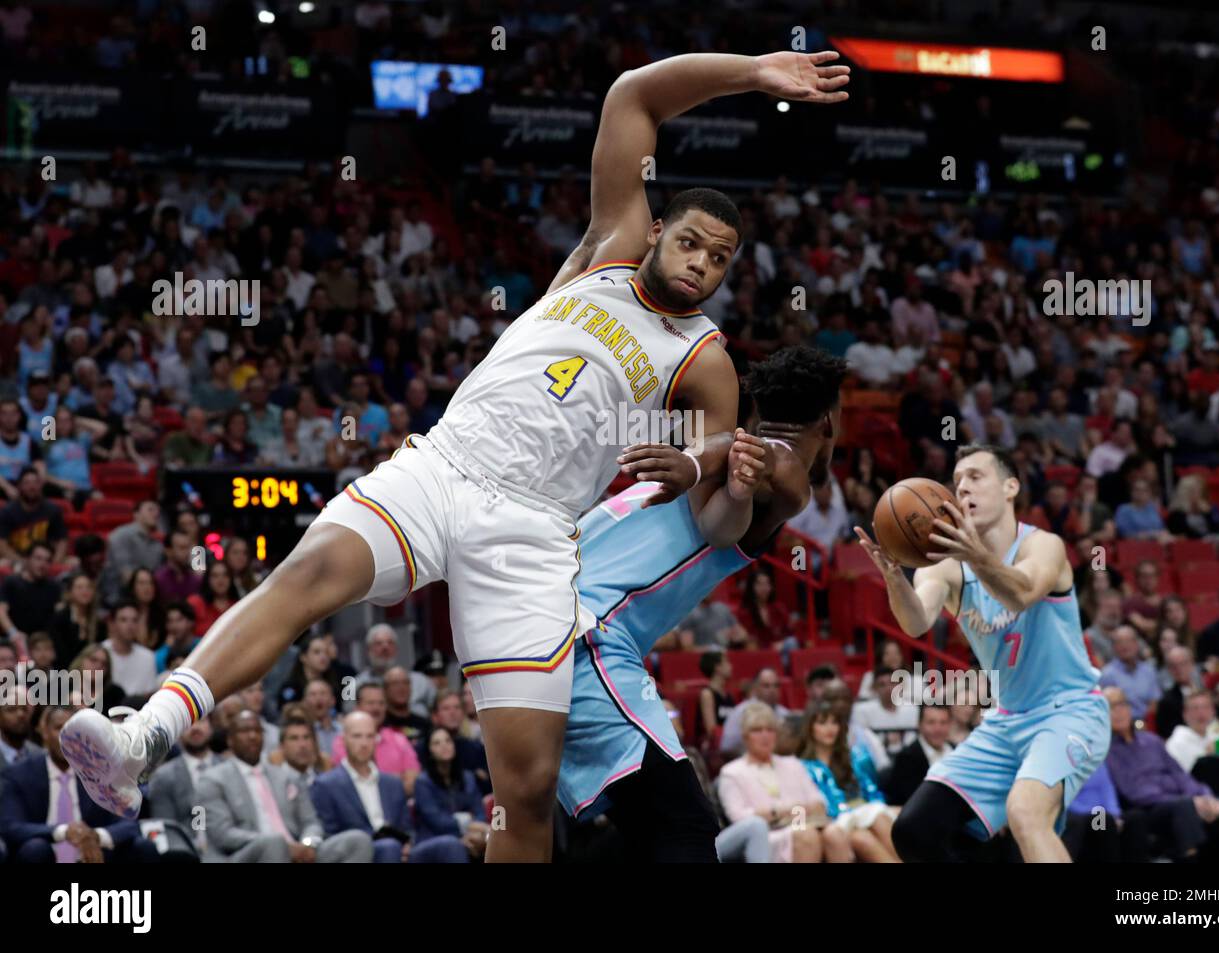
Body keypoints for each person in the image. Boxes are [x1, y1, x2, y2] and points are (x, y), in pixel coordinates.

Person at [60, 50, 852, 862]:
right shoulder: (609, 244)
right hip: (443, 466)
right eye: (691, 243)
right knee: (304, 576)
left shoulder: (707, 357)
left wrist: (708, 470)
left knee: (528, 786)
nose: (701, 265)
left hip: (536, 536)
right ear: (657, 229)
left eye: (720, 260)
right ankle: (144, 736)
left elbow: (719, 515)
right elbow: (633, 95)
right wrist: (754, 74)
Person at [557, 346, 843, 860]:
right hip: (586, 634)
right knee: (687, 830)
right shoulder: (783, 466)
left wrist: (696, 463)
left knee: (602, 835)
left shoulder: (720, 451)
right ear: (829, 420)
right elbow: (749, 455)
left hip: (533, 616)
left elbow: (724, 456)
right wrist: (692, 466)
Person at [857, 443, 1110, 862]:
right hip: (1006, 721)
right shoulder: (945, 566)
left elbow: (1022, 592)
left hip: (1070, 711)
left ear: (1010, 486)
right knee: (914, 830)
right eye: (956, 483)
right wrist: (895, 577)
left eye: (976, 477)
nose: (963, 489)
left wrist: (974, 553)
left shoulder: (1043, 546)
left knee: (1026, 813)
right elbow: (916, 621)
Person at [1104, 687, 1219, 862]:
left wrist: (1204, 796)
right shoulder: (1107, 750)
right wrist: (1188, 800)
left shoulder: (1151, 741)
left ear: (1129, 708)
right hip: (1150, 808)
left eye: (1121, 705)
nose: (1118, 712)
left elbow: (1179, 774)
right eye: (1111, 707)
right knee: (1184, 807)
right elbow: (1134, 792)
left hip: (1182, 800)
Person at [193, 710, 373, 863]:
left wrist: (307, 844)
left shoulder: (286, 776)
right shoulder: (212, 779)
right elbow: (223, 834)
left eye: (257, 730)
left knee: (359, 840)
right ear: (230, 740)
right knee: (274, 843)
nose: (252, 736)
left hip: (297, 851)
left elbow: (311, 822)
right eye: (244, 731)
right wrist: (283, 846)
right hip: (245, 855)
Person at [0, 707, 153, 864]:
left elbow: (129, 823)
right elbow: (10, 826)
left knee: (143, 847)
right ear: (44, 732)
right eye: (59, 728)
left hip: (94, 854)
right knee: (35, 849)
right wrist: (63, 832)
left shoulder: (103, 771)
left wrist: (97, 836)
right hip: (44, 852)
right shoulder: (19, 774)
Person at [312, 711, 457, 863]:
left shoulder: (393, 783)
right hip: (361, 853)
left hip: (400, 849)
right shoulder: (326, 784)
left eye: (370, 736)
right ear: (343, 739)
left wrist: (408, 843)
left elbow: (408, 828)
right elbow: (332, 836)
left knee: (451, 844)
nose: (364, 743)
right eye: (357, 736)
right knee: (389, 846)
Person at [717, 702, 847, 863]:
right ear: (745, 737)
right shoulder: (732, 772)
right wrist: (785, 811)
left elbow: (819, 803)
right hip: (766, 837)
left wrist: (785, 814)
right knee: (805, 834)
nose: (765, 736)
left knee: (834, 832)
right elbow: (741, 818)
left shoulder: (792, 764)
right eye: (757, 730)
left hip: (801, 825)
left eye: (770, 730)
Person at [797, 702, 900, 862]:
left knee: (879, 819)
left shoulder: (853, 757)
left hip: (862, 815)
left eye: (834, 722)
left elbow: (871, 793)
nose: (830, 728)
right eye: (822, 723)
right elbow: (816, 807)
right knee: (865, 833)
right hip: (833, 822)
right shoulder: (802, 766)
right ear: (810, 728)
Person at [413, 726, 489, 862]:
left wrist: (475, 833)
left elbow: (480, 813)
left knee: (490, 839)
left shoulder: (468, 777)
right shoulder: (422, 782)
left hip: (468, 837)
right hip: (431, 839)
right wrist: (468, 825)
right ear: (429, 751)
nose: (444, 746)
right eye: (437, 743)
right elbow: (438, 822)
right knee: (453, 844)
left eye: (448, 741)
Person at [884, 705, 954, 806]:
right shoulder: (905, 759)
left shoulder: (957, 751)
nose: (938, 729)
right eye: (931, 722)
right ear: (920, 725)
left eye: (943, 723)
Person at [1099, 626, 1161, 718]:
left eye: (1129, 641)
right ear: (1113, 647)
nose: (1125, 646)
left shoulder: (1148, 670)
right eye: (1119, 642)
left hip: (1147, 723)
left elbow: (1154, 702)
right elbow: (1108, 706)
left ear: (1137, 644)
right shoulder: (1107, 674)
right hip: (1119, 723)